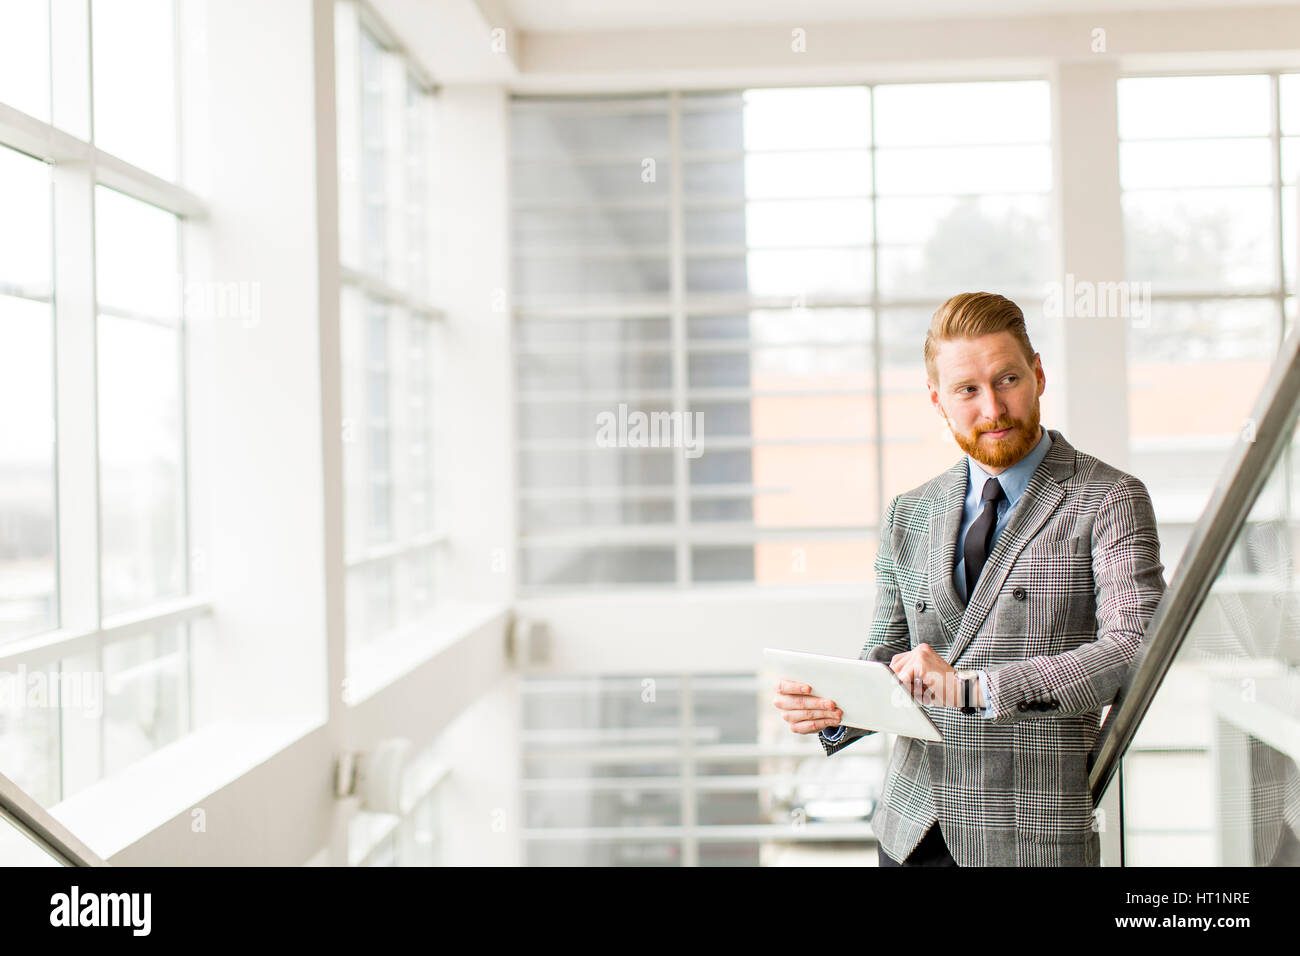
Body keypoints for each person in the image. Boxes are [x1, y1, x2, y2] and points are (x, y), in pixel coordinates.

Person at [773, 291, 1166, 866]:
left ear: (1037, 374)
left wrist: (972, 688)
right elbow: (888, 654)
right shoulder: (909, 512)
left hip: (1031, 838)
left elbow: (1134, 651)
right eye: (968, 391)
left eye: (1007, 379)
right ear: (938, 400)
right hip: (911, 830)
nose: (993, 409)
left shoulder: (1108, 498)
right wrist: (838, 707)